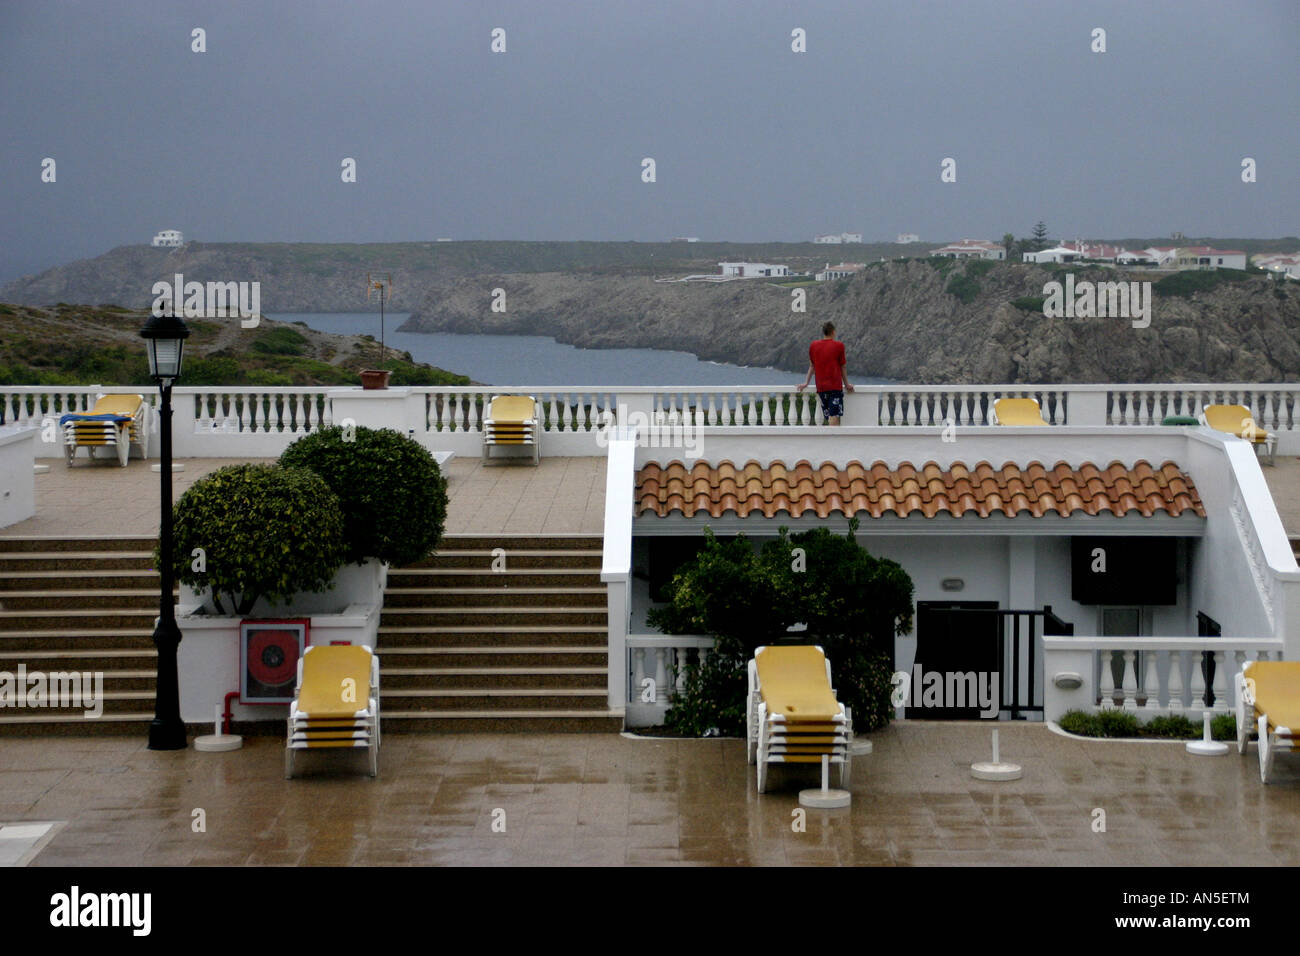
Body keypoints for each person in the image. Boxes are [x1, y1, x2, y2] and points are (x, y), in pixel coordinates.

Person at [797, 321, 854, 425]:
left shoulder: (814, 346)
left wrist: (806, 382)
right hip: (835, 387)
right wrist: (846, 384)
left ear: (824, 332)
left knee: (829, 417)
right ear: (833, 332)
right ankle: (833, 440)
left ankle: (832, 438)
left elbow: (812, 366)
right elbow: (843, 367)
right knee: (834, 416)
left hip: (821, 387)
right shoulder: (839, 346)